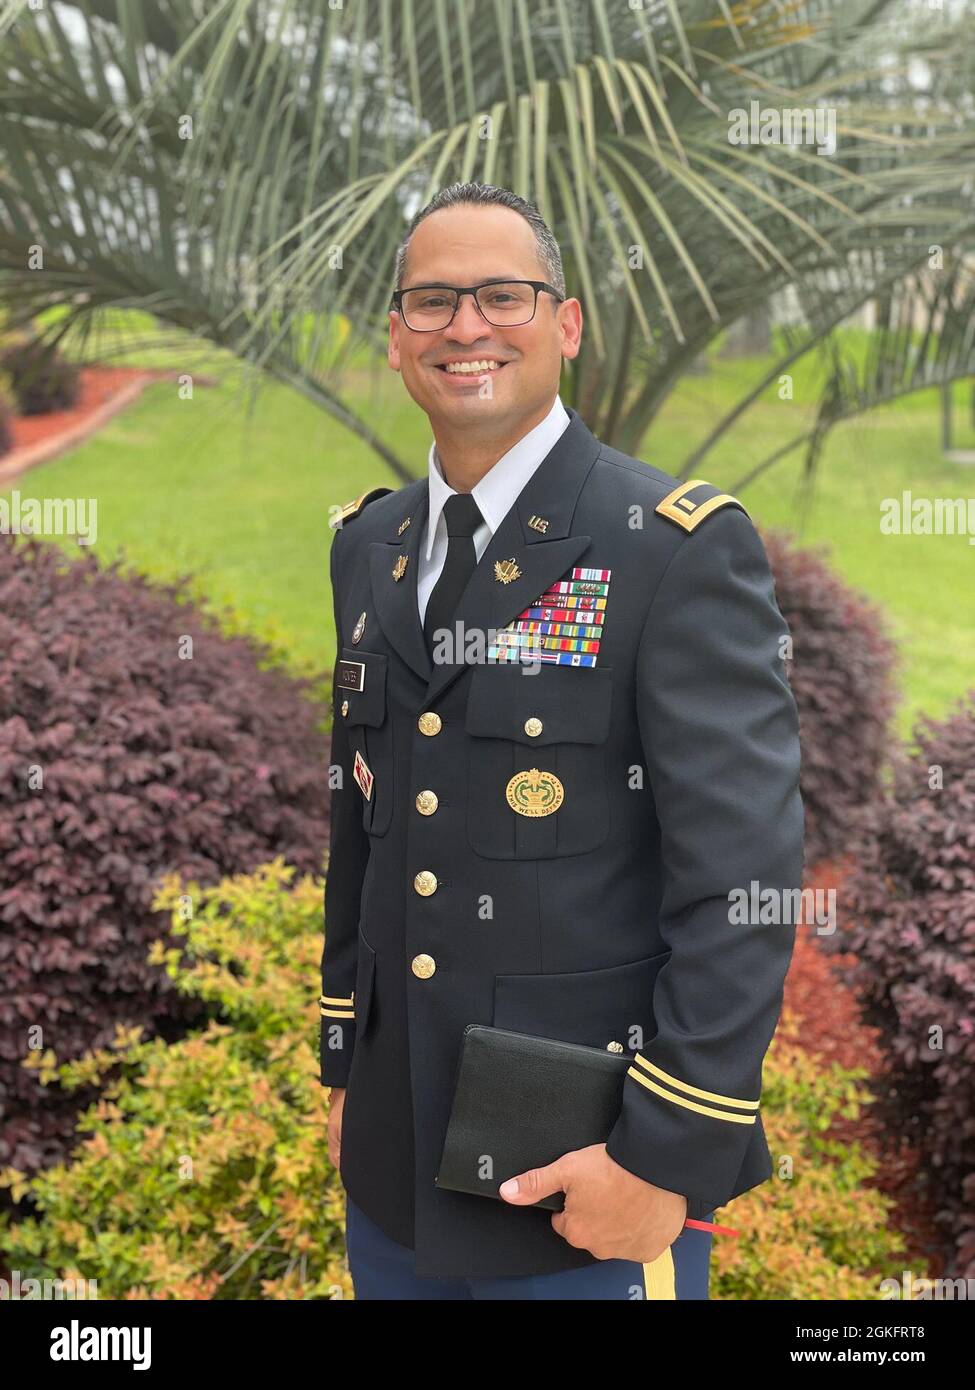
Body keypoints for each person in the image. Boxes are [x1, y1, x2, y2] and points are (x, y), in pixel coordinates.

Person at [320, 182, 804, 1300]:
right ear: (397, 336)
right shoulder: (372, 543)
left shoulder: (671, 550)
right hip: (393, 1173)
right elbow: (364, 826)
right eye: (433, 301)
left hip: (581, 1184)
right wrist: (345, 1058)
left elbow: (743, 884)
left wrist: (664, 1155)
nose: (467, 327)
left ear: (567, 325)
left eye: (504, 295)